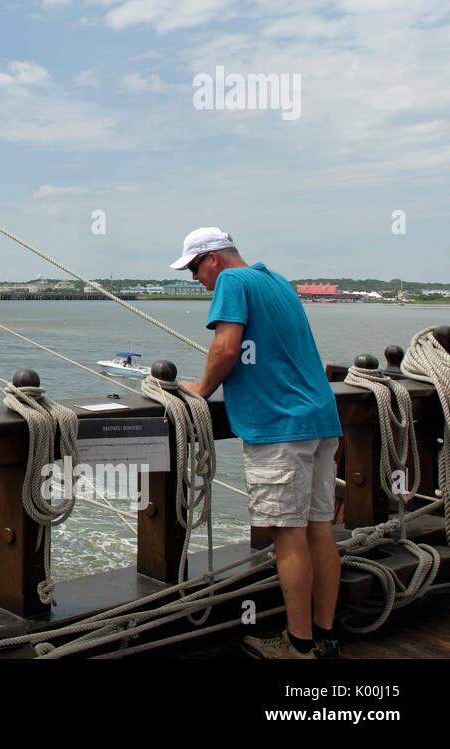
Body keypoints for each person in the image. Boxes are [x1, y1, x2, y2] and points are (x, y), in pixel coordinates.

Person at [169, 227, 342, 659]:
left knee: (288, 536)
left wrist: (202, 390)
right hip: (320, 418)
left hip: (279, 424)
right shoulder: (276, 280)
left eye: (195, 267)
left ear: (213, 258)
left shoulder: (231, 280)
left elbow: (226, 348)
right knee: (319, 530)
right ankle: (325, 638)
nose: (196, 278)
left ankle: (298, 645)